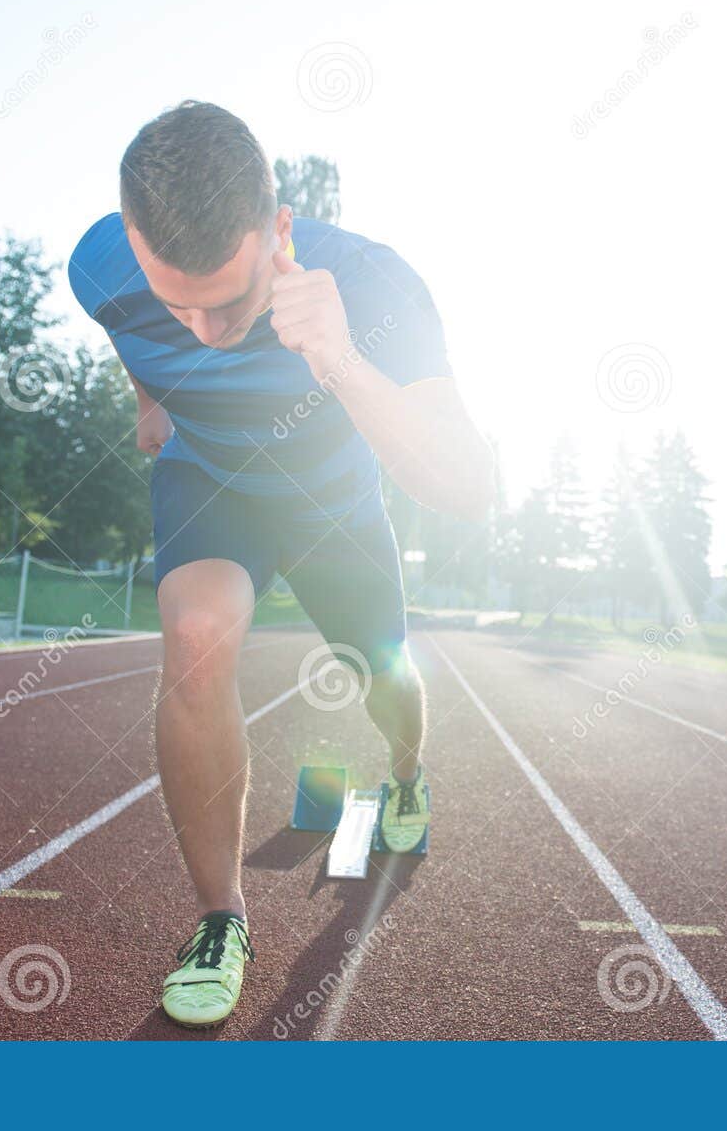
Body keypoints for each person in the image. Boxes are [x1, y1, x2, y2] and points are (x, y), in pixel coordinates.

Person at [68, 101, 493, 1027]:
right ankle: (222, 917)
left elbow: (467, 486)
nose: (204, 328)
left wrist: (336, 358)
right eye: (175, 299)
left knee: (385, 676)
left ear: (281, 233)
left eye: (229, 302)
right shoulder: (98, 264)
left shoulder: (375, 286)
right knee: (194, 633)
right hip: (213, 480)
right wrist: (149, 404)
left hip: (334, 503)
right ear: (132, 241)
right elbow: (123, 325)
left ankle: (410, 771)